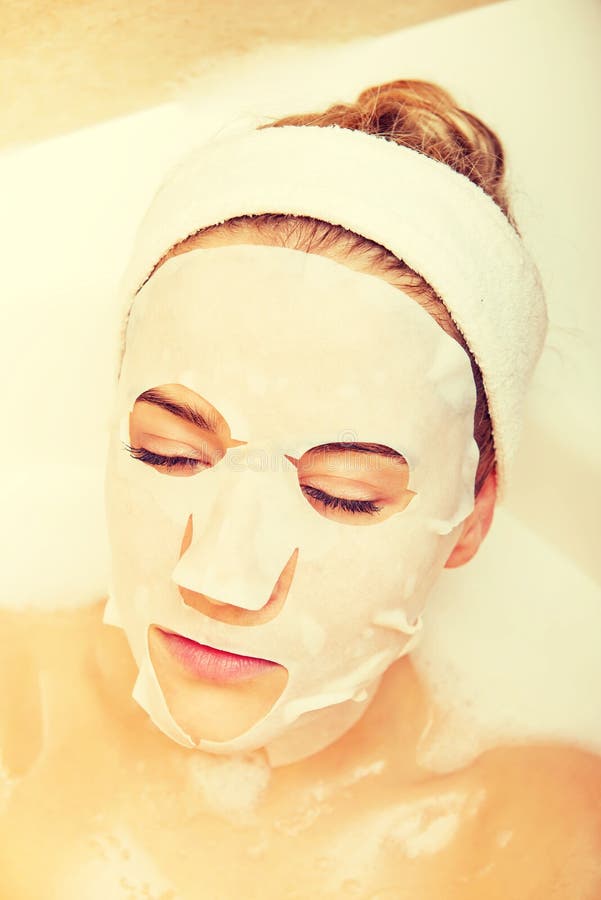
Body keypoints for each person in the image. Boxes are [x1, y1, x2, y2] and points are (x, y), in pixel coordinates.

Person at [1, 79, 599, 899]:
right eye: (169, 453)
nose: (219, 579)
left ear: (471, 519)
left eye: (341, 495)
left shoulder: (539, 839)